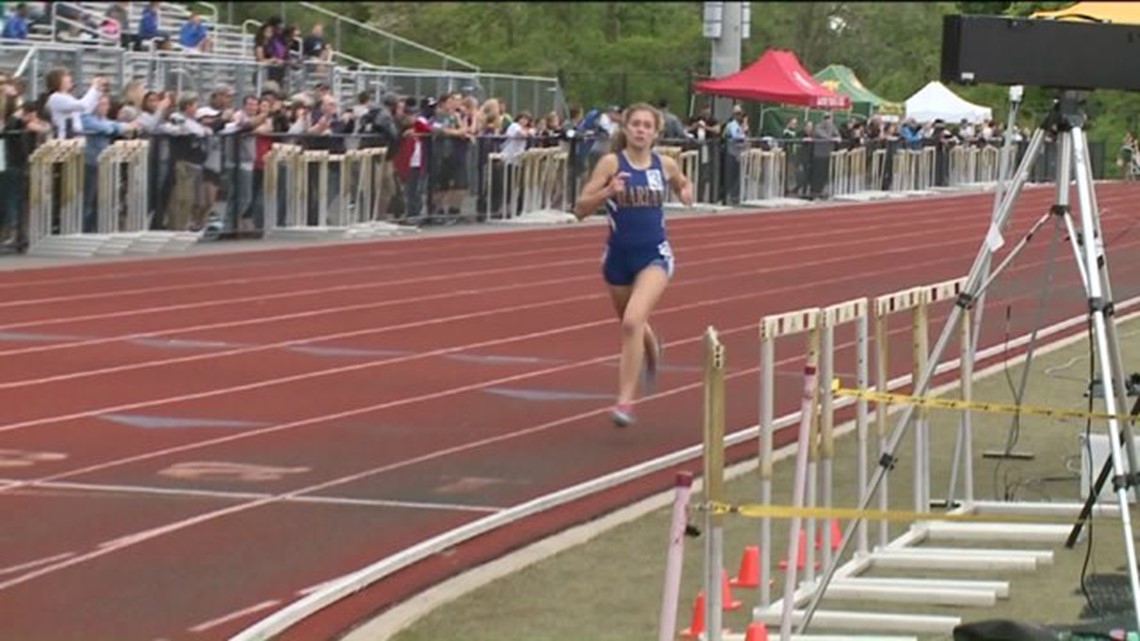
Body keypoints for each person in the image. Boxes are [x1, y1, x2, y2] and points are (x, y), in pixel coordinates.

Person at [573, 102, 693, 427]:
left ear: (656, 133)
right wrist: (607, 191)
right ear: (625, 129)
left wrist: (685, 191)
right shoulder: (612, 163)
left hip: (654, 255)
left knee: (631, 322)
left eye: (647, 125)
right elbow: (580, 208)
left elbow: (681, 182)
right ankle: (652, 345)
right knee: (632, 322)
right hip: (617, 259)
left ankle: (625, 402)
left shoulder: (664, 164)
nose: (641, 130)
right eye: (635, 124)